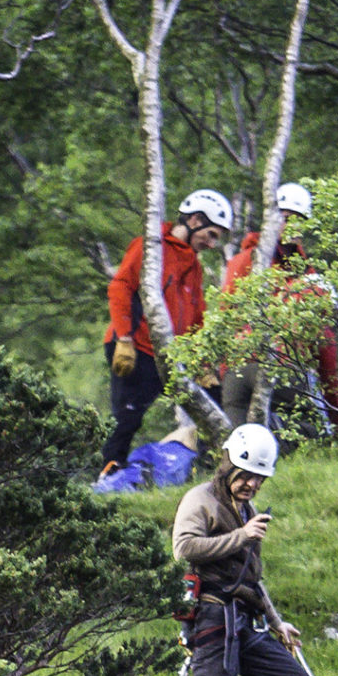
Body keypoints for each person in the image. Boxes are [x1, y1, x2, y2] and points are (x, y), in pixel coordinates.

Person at [167, 423, 316, 676]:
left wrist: (277, 622)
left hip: (245, 620)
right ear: (228, 464)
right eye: (246, 475)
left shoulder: (246, 511)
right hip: (211, 616)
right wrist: (242, 536)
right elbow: (183, 549)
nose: (252, 484)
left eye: (259, 478)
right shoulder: (200, 500)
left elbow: (250, 575)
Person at [104, 190, 231, 472]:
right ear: (195, 220)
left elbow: (197, 318)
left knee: (212, 403)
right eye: (211, 234)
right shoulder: (150, 248)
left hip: (171, 356)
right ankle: (109, 474)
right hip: (135, 347)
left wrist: (202, 363)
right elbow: (120, 288)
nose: (211, 244)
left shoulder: (194, 267)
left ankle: (213, 470)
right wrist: (124, 339)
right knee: (128, 417)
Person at [220, 181, 338, 435]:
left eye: (298, 220)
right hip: (271, 364)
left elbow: (227, 317)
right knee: (312, 433)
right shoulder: (249, 261)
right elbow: (229, 314)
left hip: (241, 367)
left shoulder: (303, 272)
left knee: (237, 440)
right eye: (286, 218)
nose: (291, 226)